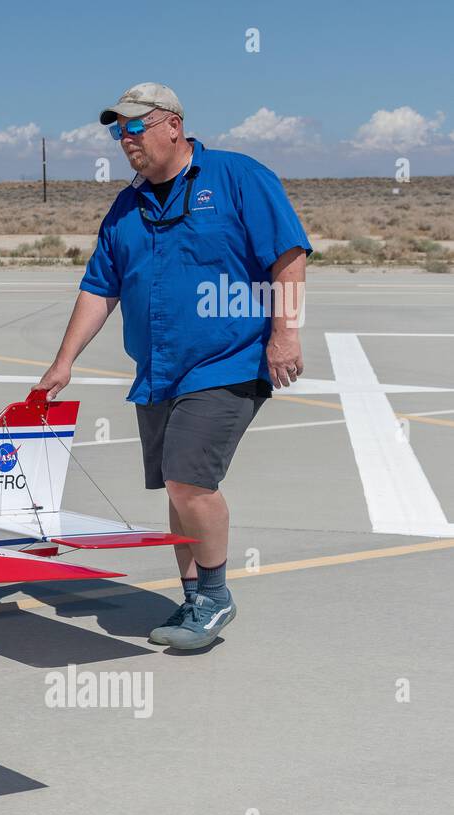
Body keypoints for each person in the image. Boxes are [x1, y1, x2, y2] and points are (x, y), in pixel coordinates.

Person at [37, 82, 311, 650]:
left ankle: (215, 597)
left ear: (172, 126)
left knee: (190, 479)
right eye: (118, 132)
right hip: (160, 369)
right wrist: (62, 363)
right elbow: (99, 288)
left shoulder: (237, 177)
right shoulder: (126, 208)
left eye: (135, 127)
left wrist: (285, 334)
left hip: (227, 361)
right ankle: (193, 600)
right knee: (176, 488)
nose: (125, 140)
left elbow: (287, 254)